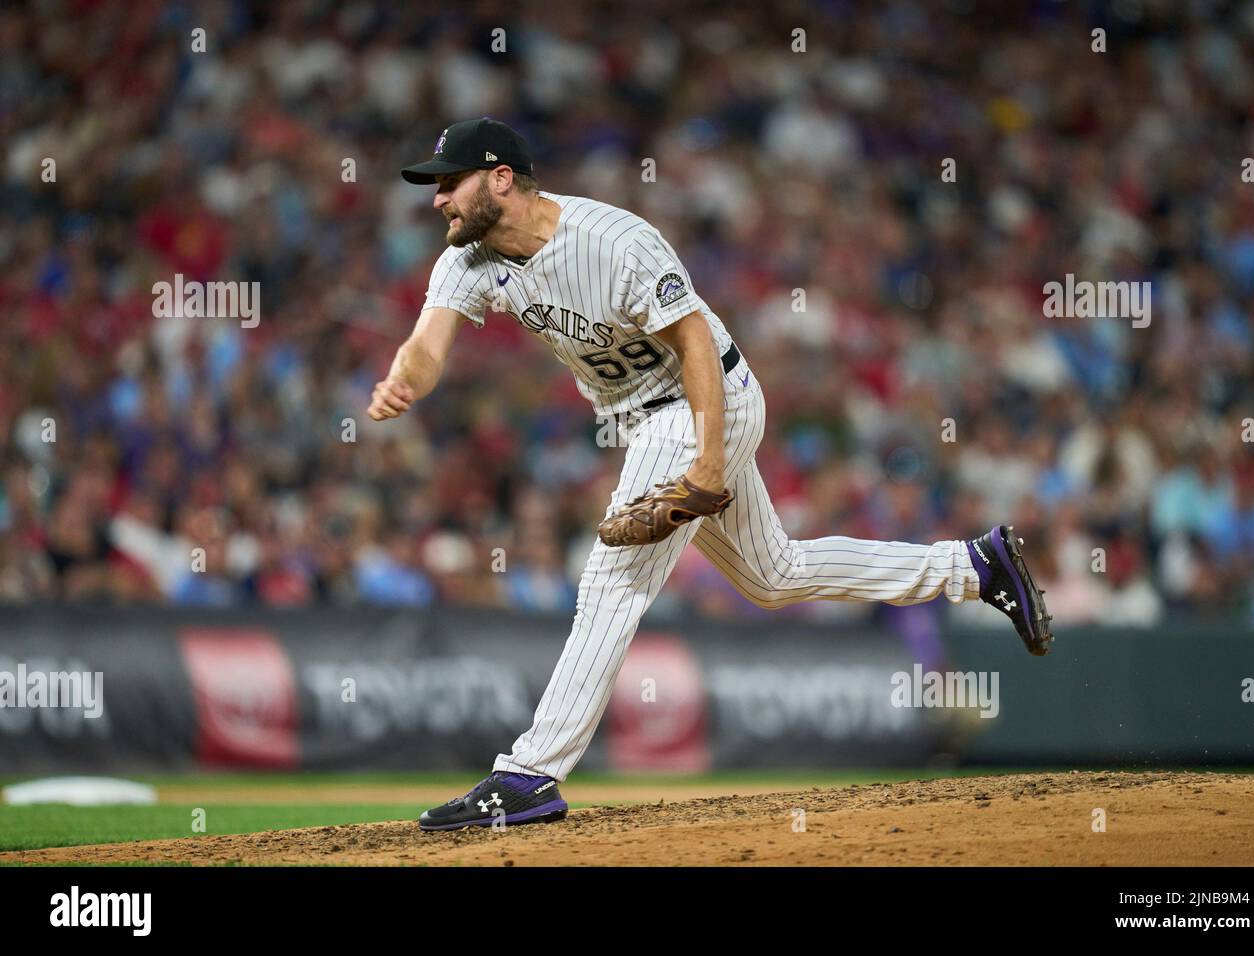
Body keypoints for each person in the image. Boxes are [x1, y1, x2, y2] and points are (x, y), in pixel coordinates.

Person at [368, 118, 1054, 831]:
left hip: (705, 397)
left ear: (501, 178)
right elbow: (426, 346)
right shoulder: (469, 258)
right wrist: (402, 380)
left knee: (613, 577)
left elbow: (694, 338)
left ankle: (529, 774)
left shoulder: (613, 241)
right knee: (774, 575)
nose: (439, 197)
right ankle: (976, 567)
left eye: (451, 181)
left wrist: (705, 459)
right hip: (643, 420)